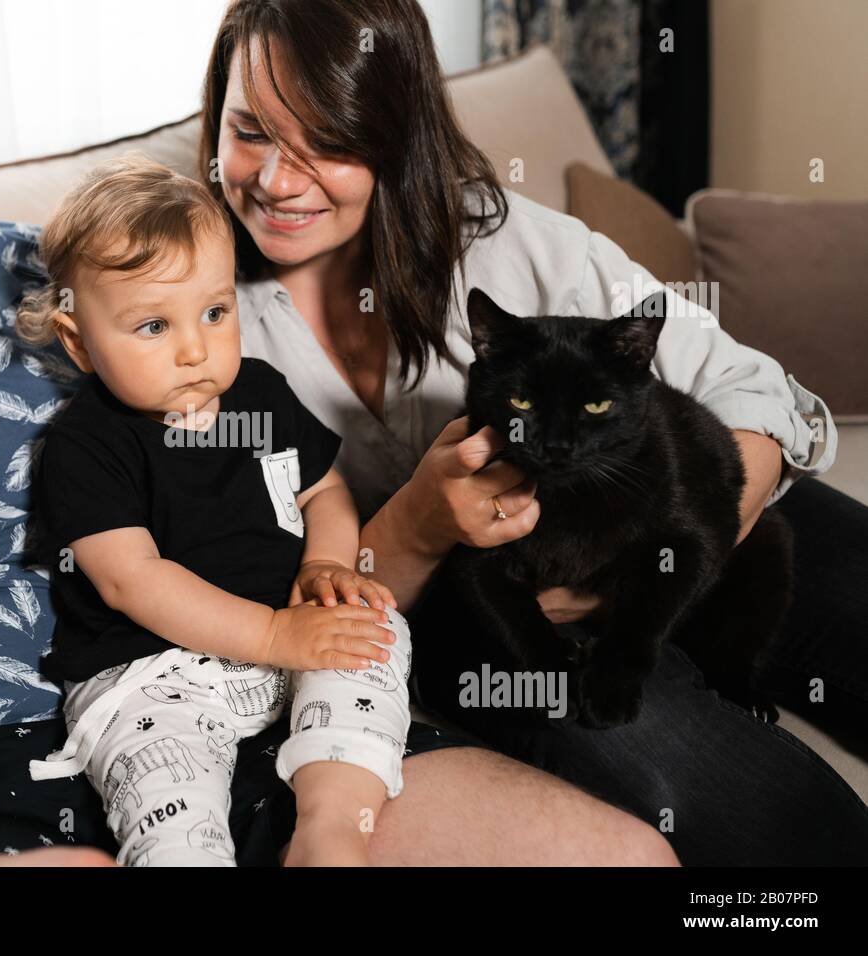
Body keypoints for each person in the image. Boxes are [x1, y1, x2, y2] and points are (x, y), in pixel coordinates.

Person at [0, 0, 678, 867]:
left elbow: (297, 512)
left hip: (236, 705)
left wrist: (368, 567)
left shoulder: (85, 284)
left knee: (626, 856)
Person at [202, 0, 868, 864]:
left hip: (669, 521)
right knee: (740, 801)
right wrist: (417, 525)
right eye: (250, 133)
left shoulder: (502, 238)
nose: (279, 182)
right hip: (495, 626)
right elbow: (270, 624)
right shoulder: (193, 320)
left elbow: (756, 394)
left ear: (398, 136)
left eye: (329, 143)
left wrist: (666, 561)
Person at [19, 155, 413, 866]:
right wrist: (268, 635)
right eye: (152, 327)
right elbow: (129, 579)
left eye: (214, 311)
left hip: (287, 641)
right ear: (78, 341)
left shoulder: (261, 393)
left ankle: (331, 824)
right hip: (152, 674)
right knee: (167, 790)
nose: (195, 349)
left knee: (374, 633)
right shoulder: (87, 444)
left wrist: (325, 563)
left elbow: (323, 490)